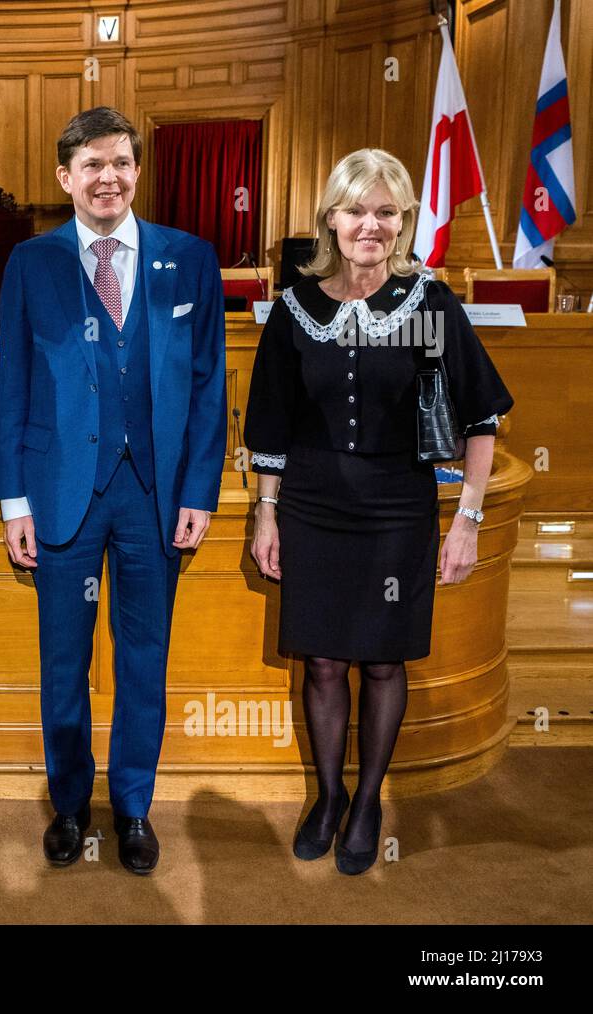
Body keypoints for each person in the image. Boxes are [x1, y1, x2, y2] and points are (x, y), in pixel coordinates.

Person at [245, 148, 514, 875]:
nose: (371, 225)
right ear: (331, 218)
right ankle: (328, 796)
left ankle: (368, 802)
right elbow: (269, 425)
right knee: (325, 661)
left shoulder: (430, 304)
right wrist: (265, 515)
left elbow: (483, 418)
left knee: (385, 662)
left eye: (387, 212)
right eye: (357, 210)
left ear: (402, 222)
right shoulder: (296, 308)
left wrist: (468, 520)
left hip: (399, 508)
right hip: (312, 505)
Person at [0, 107, 228, 875]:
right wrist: (15, 500)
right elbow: (15, 386)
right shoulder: (31, 262)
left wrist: (200, 489)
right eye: (92, 164)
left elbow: (207, 384)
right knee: (63, 663)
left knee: (143, 660)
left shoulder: (189, 257)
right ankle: (69, 806)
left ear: (137, 170)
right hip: (63, 495)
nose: (109, 176)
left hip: (155, 496)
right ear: (65, 177)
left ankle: (132, 807)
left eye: (121, 162)